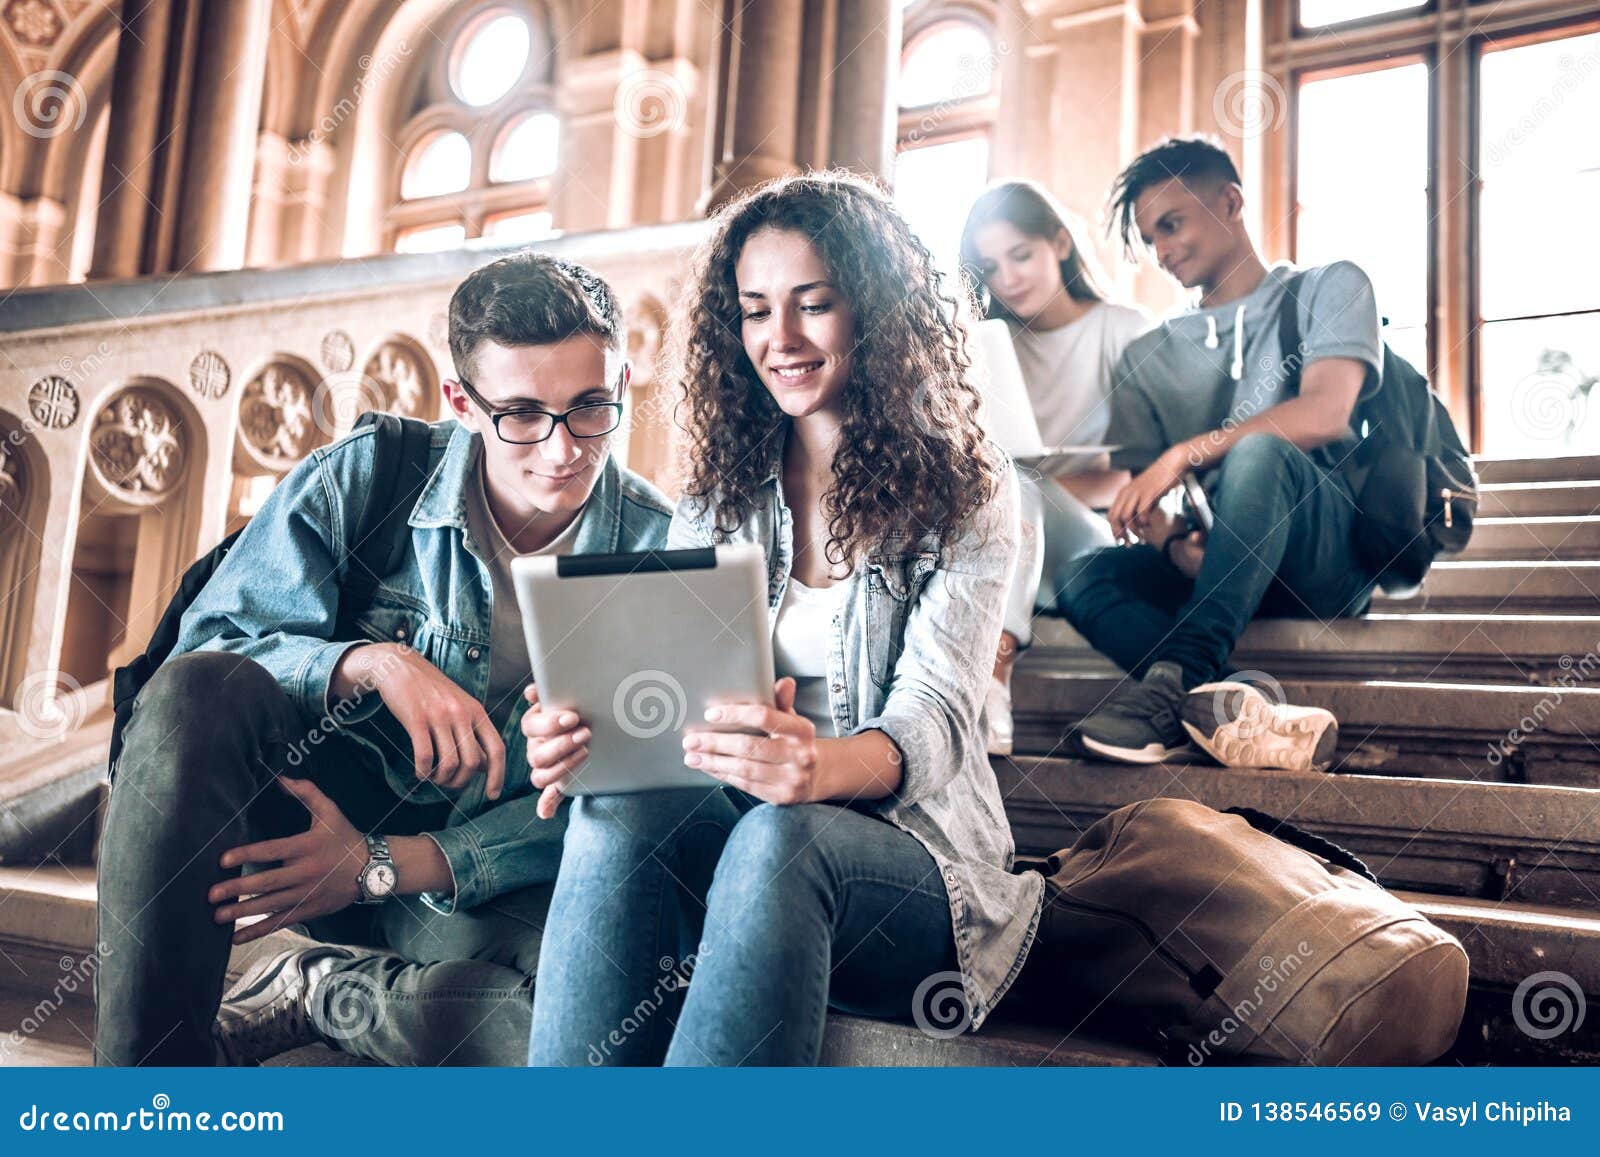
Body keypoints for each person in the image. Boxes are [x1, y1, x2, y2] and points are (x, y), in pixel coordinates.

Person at [94, 252, 672, 1066]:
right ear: (461, 404)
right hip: (285, 832)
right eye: (521, 414)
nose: (563, 448)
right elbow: (202, 656)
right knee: (197, 692)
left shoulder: (659, 551)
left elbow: (641, 799)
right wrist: (371, 662)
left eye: (590, 408)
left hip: (469, 879)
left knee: (605, 1022)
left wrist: (381, 864)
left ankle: (324, 991)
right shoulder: (368, 476)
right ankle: (146, 1094)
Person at [521, 172, 1043, 1066]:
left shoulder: (970, 485)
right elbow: (680, 696)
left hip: (919, 865)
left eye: (814, 305)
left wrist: (817, 768)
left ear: (875, 311)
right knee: (613, 812)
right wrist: (590, 732)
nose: (782, 339)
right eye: (756, 311)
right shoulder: (722, 493)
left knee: (778, 834)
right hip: (750, 841)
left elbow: (939, 719)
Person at [1059, 136, 1375, 770]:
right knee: (1081, 576)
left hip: (1321, 561)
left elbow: (1325, 410)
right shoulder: (1147, 355)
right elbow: (1137, 503)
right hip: (1218, 568)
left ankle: (1177, 681)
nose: (1163, 251)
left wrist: (1188, 452)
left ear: (1230, 202)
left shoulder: (1329, 287)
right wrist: (1176, 545)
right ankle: (1235, 699)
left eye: (1172, 225)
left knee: (1261, 451)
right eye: (1151, 240)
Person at [959, 180, 1150, 753]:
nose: (1009, 278)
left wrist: (1041, 483)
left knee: (1017, 484)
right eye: (991, 267)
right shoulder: (985, 348)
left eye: (1021, 255)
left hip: (1091, 537)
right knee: (1005, 482)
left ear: (1060, 244)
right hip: (1007, 539)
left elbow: (1140, 476)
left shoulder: (1123, 328)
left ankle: (996, 671)